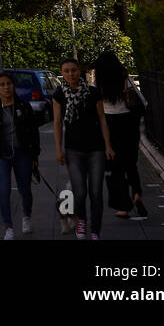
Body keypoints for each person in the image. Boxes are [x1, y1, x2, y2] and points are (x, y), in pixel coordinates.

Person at [52, 56, 114, 240]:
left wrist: (108, 146)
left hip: (96, 148)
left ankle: (95, 230)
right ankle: (82, 220)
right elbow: (56, 122)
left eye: (74, 70)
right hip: (73, 149)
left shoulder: (93, 92)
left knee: (96, 192)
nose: (71, 74)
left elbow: (103, 119)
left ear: (80, 71)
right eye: (67, 71)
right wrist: (58, 148)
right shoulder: (59, 94)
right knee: (79, 193)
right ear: (62, 74)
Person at [0, 71, 41, 239]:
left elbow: (34, 132)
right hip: (0, 154)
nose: (6, 87)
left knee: (25, 188)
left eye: (8, 84)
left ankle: (26, 216)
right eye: (2, 85)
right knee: (4, 189)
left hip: (22, 153)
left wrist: (34, 157)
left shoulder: (24, 107)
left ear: (13, 85)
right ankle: (8, 226)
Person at [95, 50, 148, 220]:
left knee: (114, 167)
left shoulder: (101, 83)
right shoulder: (124, 78)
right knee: (131, 163)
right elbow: (140, 101)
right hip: (129, 123)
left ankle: (123, 206)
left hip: (109, 123)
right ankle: (137, 192)